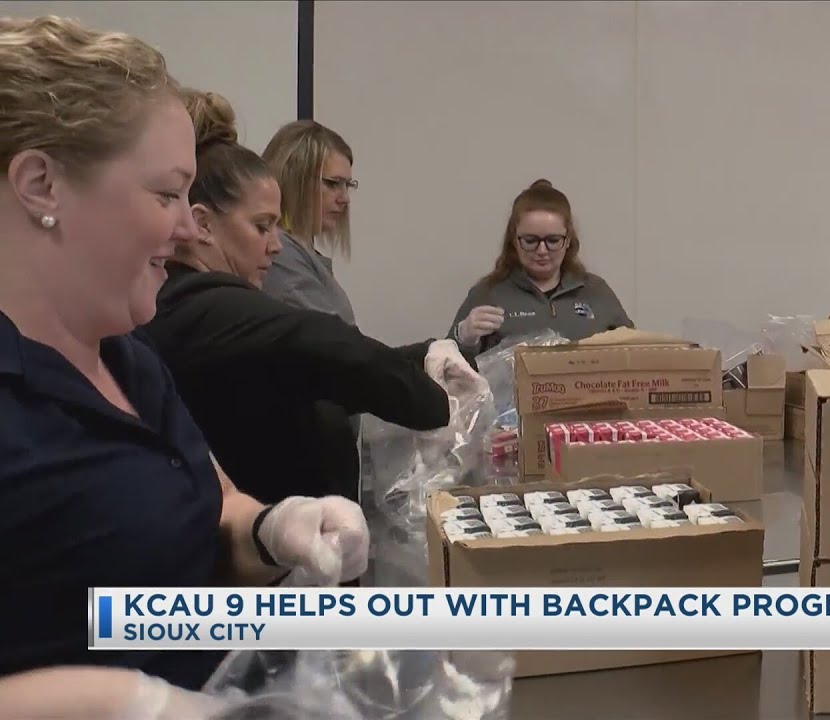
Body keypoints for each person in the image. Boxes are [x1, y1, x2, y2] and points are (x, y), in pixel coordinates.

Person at [0, 15, 367, 718]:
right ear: (41, 183)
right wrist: (114, 701)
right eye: (166, 195)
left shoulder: (130, 362)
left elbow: (211, 509)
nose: (186, 227)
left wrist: (271, 529)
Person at [141, 89, 480, 506]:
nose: (274, 245)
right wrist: (443, 410)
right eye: (262, 227)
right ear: (204, 225)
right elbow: (328, 347)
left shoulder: (211, 300)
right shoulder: (201, 303)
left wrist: (424, 355)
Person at [449, 179, 633, 353]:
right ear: (514, 240)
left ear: (568, 240)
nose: (542, 250)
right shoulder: (487, 293)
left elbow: (637, 352)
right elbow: (444, 368)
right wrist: (464, 338)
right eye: (530, 241)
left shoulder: (596, 292)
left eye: (553, 240)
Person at [260, 119, 358, 321]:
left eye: (347, 185)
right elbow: (334, 342)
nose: (344, 198)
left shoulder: (298, 249)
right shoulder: (280, 251)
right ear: (294, 180)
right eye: (332, 184)